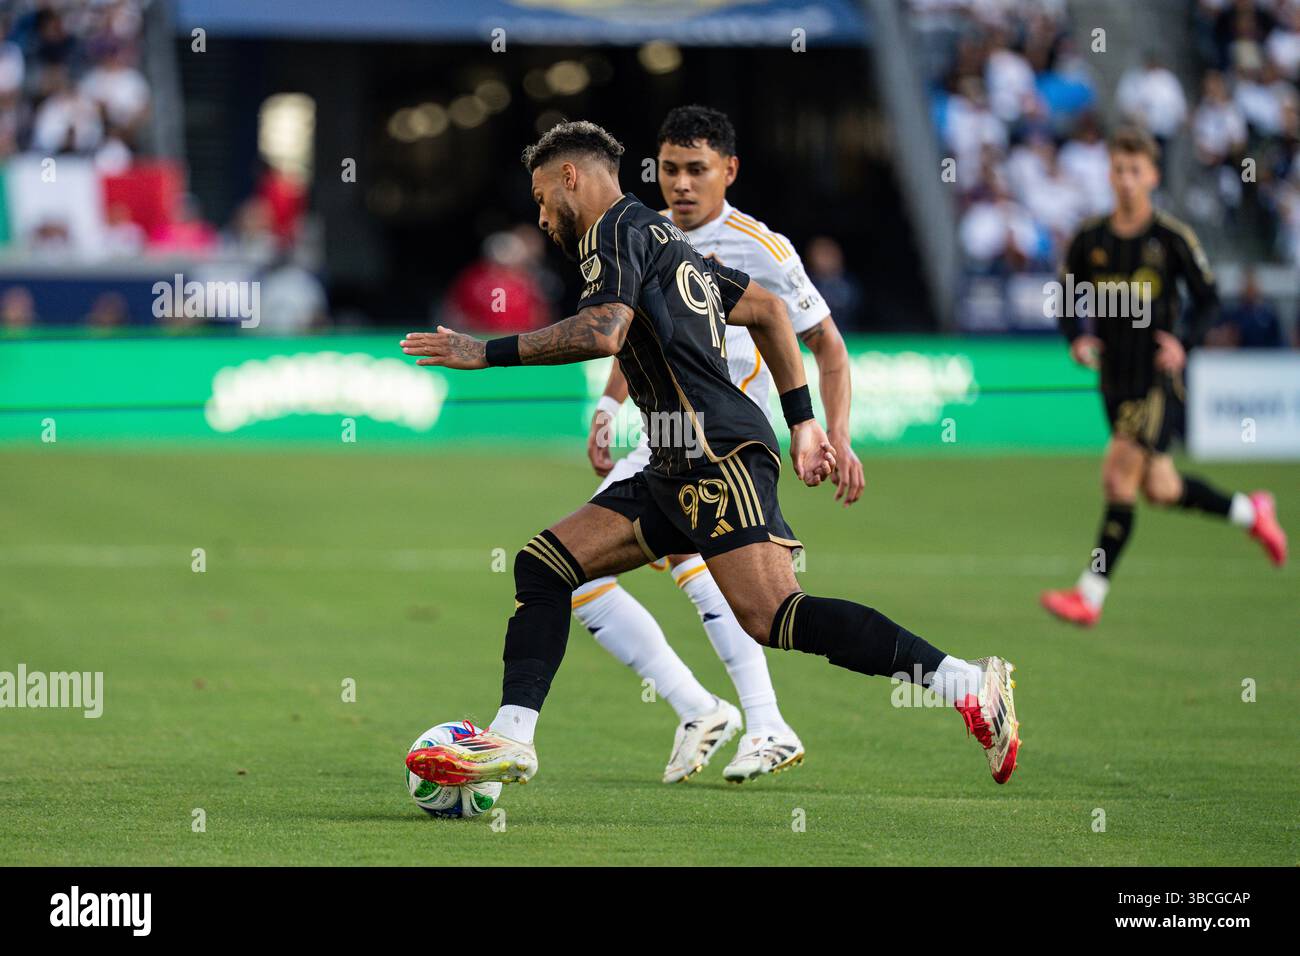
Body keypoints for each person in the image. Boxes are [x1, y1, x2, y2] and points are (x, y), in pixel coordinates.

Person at [400, 120, 1021, 790]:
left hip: (713, 452)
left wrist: (483, 351)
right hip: (674, 457)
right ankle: (512, 739)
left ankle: (965, 683)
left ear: (569, 176)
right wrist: (801, 422)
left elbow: (606, 330)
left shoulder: (610, 235)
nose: (543, 213)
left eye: (543, 195)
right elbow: (766, 311)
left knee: (774, 616)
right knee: (546, 564)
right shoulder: (660, 235)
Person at [571, 105, 864, 784]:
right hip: (665, 434)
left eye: (696, 169)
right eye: (669, 168)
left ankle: (751, 718)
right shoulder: (643, 234)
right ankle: (716, 711)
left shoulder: (763, 249)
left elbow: (829, 347)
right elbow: (637, 332)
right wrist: (609, 403)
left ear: (728, 171)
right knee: (580, 578)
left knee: (604, 568)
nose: (679, 183)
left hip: (727, 442)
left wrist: (828, 430)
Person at [1041, 127, 1287, 629]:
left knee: (1118, 476)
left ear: (1151, 175)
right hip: (1114, 381)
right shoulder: (1090, 239)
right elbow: (1066, 297)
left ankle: (1090, 594)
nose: (1127, 180)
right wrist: (1076, 338)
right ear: (1109, 174)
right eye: (1119, 170)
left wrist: (1184, 343)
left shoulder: (1171, 238)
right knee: (1162, 488)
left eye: (1136, 171)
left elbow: (1211, 297)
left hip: (1158, 381)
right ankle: (1251, 511)